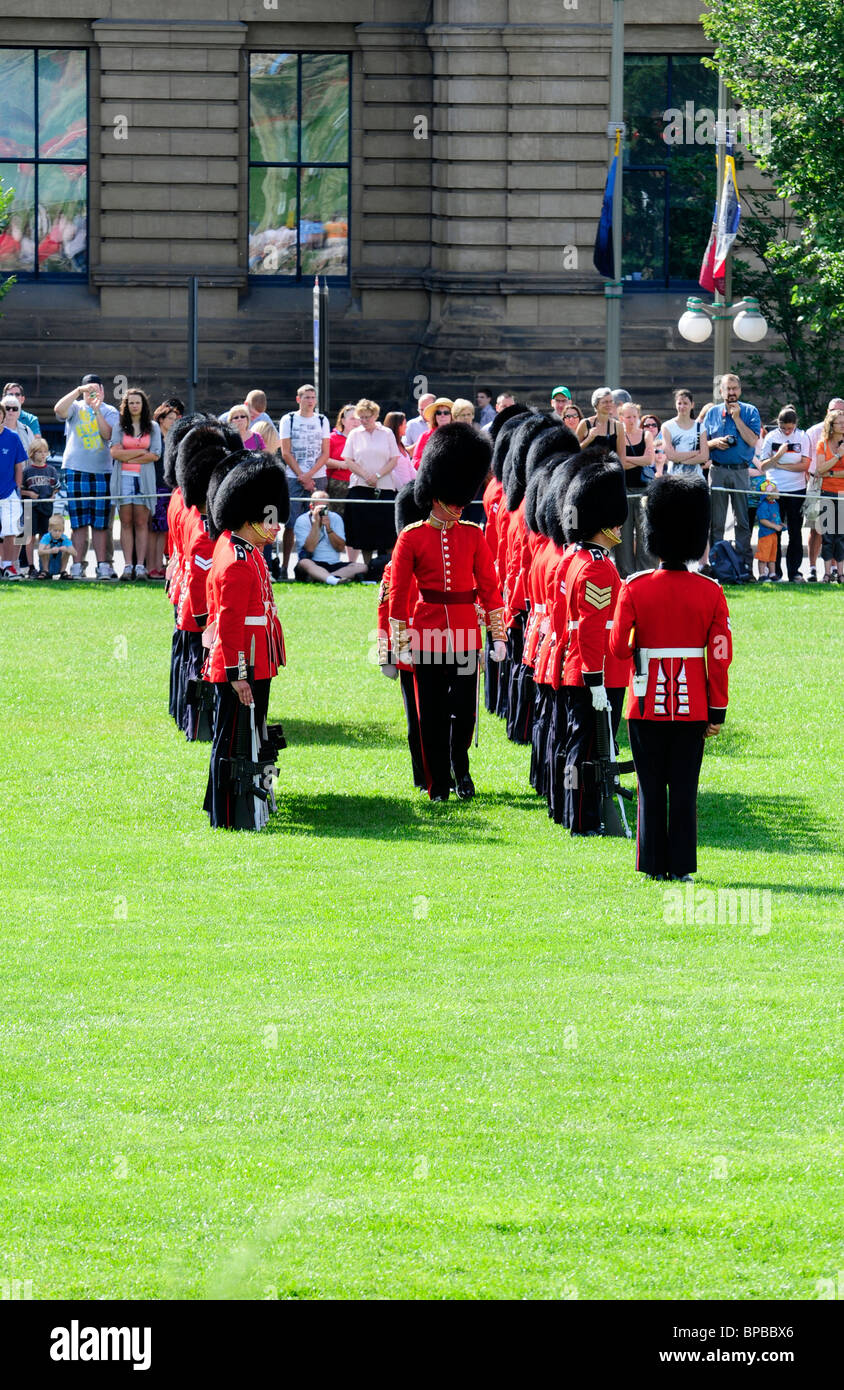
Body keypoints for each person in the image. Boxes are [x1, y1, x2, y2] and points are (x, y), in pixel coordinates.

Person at [610, 474, 733, 880]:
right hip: (693, 704)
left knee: (649, 787)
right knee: (683, 790)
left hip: (645, 704)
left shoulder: (634, 587)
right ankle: (680, 866)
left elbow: (617, 649)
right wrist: (717, 710)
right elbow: (719, 658)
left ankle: (651, 863)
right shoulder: (710, 591)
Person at [388, 423, 508, 801]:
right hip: (427, 634)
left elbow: (489, 588)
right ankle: (438, 783)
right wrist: (400, 642)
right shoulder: (412, 536)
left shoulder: (472, 534)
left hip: (466, 635)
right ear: (436, 495)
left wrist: (498, 634)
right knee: (432, 715)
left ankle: (462, 768)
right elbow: (399, 594)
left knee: (466, 714)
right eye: (454, 499)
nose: (460, 505)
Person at [202, 452, 289, 831]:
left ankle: (243, 805)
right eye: (268, 519)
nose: (274, 527)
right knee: (233, 739)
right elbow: (232, 622)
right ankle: (228, 812)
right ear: (250, 515)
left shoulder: (245, 549)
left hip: (259, 658)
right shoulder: (238, 558)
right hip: (245, 662)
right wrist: (238, 675)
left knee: (249, 735)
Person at [558, 456, 631, 834]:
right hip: (597, 669)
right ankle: (584, 819)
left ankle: (576, 814)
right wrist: (596, 679)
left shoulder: (577, 559)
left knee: (579, 744)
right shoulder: (598, 567)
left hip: (579, 665)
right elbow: (590, 626)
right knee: (589, 749)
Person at [176, 421, 242, 740]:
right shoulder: (205, 532)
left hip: (199, 612)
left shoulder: (202, 520)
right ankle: (197, 727)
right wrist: (205, 621)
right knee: (198, 673)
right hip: (199, 615)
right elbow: (199, 581)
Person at [376, 482, 428, 791]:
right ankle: (423, 778)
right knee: (416, 725)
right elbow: (385, 611)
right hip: (410, 652)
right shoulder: (394, 566)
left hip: (444, 648)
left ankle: (449, 770)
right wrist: (387, 656)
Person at [54, 374, 120, 580]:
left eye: (96, 389)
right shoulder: (75, 407)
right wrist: (78, 392)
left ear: (102, 390)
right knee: (78, 522)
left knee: (100, 523)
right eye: (88, 389)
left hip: (102, 471)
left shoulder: (109, 410)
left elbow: (108, 434)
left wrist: (97, 408)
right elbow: (58, 410)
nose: (93, 393)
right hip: (76, 469)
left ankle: (102, 566)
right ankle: (76, 565)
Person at [701, 373, 761, 575]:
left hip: (740, 471)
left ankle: (745, 567)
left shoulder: (750, 411)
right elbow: (702, 444)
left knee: (742, 522)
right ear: (721, 391)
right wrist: (714, 443)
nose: (732, 392)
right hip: (717, 470)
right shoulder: (712, 413)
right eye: (728, 389)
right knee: (716, 522)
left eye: (735, 388)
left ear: (740, 390)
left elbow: (752, 441)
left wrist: (737, 419)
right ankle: (718, 566)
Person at [109, 387, 162, 581]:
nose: (134, 405)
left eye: (137, 402)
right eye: (130, 402)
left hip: (144, 480)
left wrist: (127, 455)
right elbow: (115, 453)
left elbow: (155, 454)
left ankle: (140, 566)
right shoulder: (119, 426)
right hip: (123, 479)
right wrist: (141, 453)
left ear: (143, 404)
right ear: (126, 405)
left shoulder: (153, 427)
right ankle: (128, 566)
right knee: (125, 522)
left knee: (141, 522)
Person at [278, 384, 330, 577]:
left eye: (313, 397)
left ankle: (314, 566)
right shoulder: (288, 419)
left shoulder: (322, 420)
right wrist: (302, 475)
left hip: (318, 477)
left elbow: (326, 453)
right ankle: (284, 566)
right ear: (298, 399)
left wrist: (310, 476)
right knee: (290, 524)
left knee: (318, 520)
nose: (310, 401)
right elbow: (285, 452)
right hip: (294, 477)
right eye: (306, 397)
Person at [342, 398, 400, 566]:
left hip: (385, 487)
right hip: (360, 486)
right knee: (364, 531)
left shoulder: (387, 433)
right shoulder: (354, 434)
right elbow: (348, 459)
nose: (364, 421)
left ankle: (388, 569)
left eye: (367, 417)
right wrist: (366, 476)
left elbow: (394, 458)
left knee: (387, 530)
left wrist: (377, 476)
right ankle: (367, 569)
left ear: (375, 415)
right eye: (361, 417)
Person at [758, 404, 811, 582]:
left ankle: (794, 572)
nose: (787, 432)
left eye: (790, 428)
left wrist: (780, 466)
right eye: (784, 428)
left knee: (795, 532)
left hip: (796, 490)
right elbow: (764, 466)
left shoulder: (802, 436)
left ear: (795, 424)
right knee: (775, 533)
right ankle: (775, 572)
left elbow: (804, 465)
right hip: (775, 492)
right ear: (778, 424)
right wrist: (777, 456)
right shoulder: (771, 437)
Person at [616, 400, 659, 579]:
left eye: (635, 416)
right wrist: (638, 459)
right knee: (623, 537)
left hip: (644, 490)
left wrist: (629, 461)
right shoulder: (619, 436)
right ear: (621, 418)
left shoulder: (646, 435)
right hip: (624, 490)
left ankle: (646, 573)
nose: (632, 420)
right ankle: (626, 574)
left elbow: (649, 460)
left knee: (644, 532)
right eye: (628, 417)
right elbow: (620, 463)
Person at [805, 396, 844, 580]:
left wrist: (830, 474)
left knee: (838, 531)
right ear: (828, 413)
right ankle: (813, 568)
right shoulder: (814, 432)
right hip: (816, 483)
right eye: (835, 411)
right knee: (816, 529)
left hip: (837, 487)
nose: (839, 415)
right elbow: (811, 462)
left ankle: (835, 569)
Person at [293, 489, 366, 584]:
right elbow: (309, 549)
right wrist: (316, 524)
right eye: (320, 507)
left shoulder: (335, 518)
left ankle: (325, 578)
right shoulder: (302, 520)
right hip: (313, 562)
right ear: (311, 507)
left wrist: (328, 528)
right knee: (304, 563)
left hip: (333, 564)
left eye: (326, 507)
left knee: (363, 567)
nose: (324, 510)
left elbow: (340, 548)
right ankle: (330, 578)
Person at [148, 400, 184, 578]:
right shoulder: (154, 439)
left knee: (165, 529)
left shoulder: (175, 441)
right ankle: (151, 566)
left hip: (170, 490)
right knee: (154, 528)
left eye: (175, 418)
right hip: (156, 487)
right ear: (161, 419)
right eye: (170, 418)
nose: (174, 421)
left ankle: (161, 566)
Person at [20, 436, 60, 576]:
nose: (43, 454)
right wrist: (29, 493)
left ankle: (45, 567)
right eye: (39, 452)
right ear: (32, 453)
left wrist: (53, 495)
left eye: (45, 451)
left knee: (45, 537)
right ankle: (31, 566)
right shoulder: (27, 471)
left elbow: (56, 487)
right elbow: (20, 488)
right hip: (30, 507)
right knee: (29, 537)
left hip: (46, 507)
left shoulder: (51, 470)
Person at [0, 399, 27, 579]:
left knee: (10, 531)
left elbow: (19, 466)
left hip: (9, 492)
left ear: (2, 417)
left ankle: (8, 566)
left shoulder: (13, 437)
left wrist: (17, 488)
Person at [576, 387, 626, 462]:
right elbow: (574, 451)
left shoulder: (618, 426)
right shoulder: (585, 424)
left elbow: (621, 458)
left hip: (611, 471)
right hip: (588, 471)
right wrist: (588, 439)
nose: (609, 404)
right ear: (596, 404)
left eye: (611, 401)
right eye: (605, 402)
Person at [411, 397, 453, 469]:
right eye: (438, 413)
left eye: (446, 413)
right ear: (435, 416)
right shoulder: (425, 436)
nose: (442, 415)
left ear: (452, 416)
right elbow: (415, 461)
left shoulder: (460, 435)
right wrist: (432, 464)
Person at [754, 479, 782, 581]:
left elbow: (775, 518)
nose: (778, 491)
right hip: (765, 535)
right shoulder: (763, 505)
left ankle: (772, 574)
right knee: (763, 555)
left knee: (772, 555)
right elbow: (763, 520)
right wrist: (774, 526)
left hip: (773, 534)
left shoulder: (775, 504)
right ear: (768, 494)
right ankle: (762, 575)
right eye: (776, 490)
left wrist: (780, 524)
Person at [383, 411, 418, 490]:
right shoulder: (388, 445)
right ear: (397, 426)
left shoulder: (400, 444)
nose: (406, 427)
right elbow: (391, 471)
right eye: (404, 424)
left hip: (408, 491)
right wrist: (401, 489)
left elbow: (410, 468)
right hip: (395, 491)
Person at [37, 513, 76, 578]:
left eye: (60, 530)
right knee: (47, 546)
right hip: (48, 563)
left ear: (63, 530)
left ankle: (62, 571)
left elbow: (74, 553)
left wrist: (66, 549)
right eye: (55, 530)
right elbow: (39, 551)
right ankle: (45, 571)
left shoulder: (64, 538)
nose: (57, 533)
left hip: (58, 563)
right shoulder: (46, 537)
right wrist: (50, 551)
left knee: (66, 549)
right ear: (49, 529)